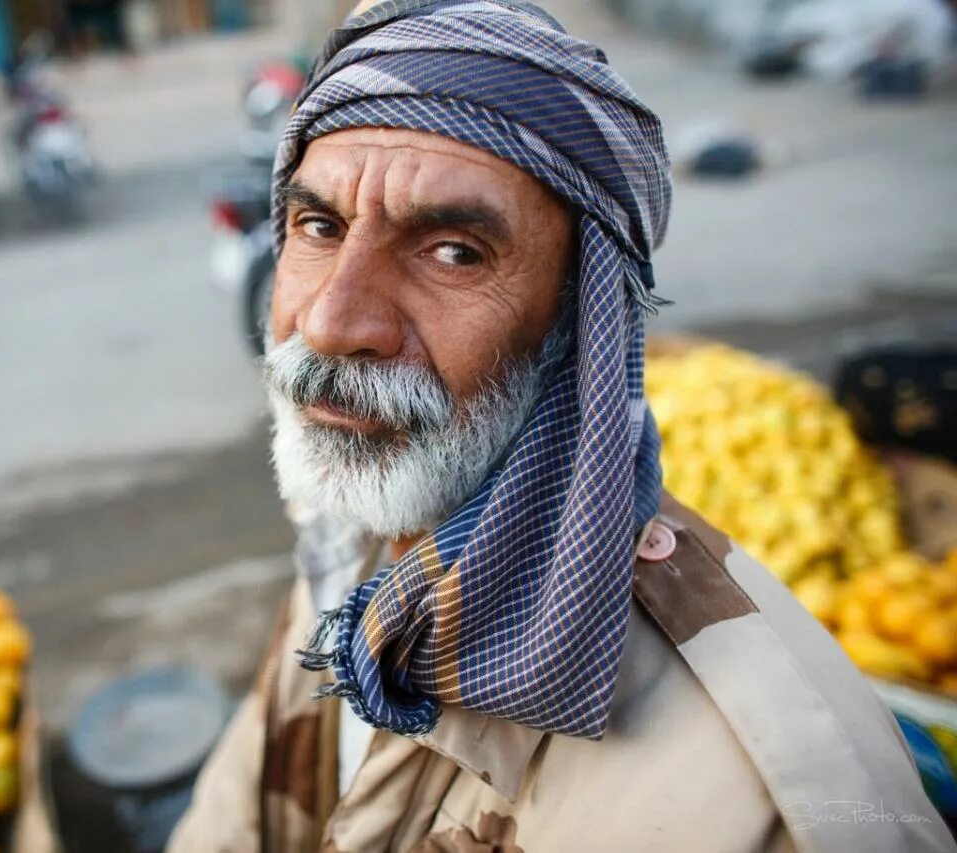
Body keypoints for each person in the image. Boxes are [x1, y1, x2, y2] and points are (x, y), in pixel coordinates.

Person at [169, 2, 954, 851]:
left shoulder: (764, 808)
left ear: (583, 325)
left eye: (454, 252)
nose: (330, 321)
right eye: (318, 226)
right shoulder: (351, 545)